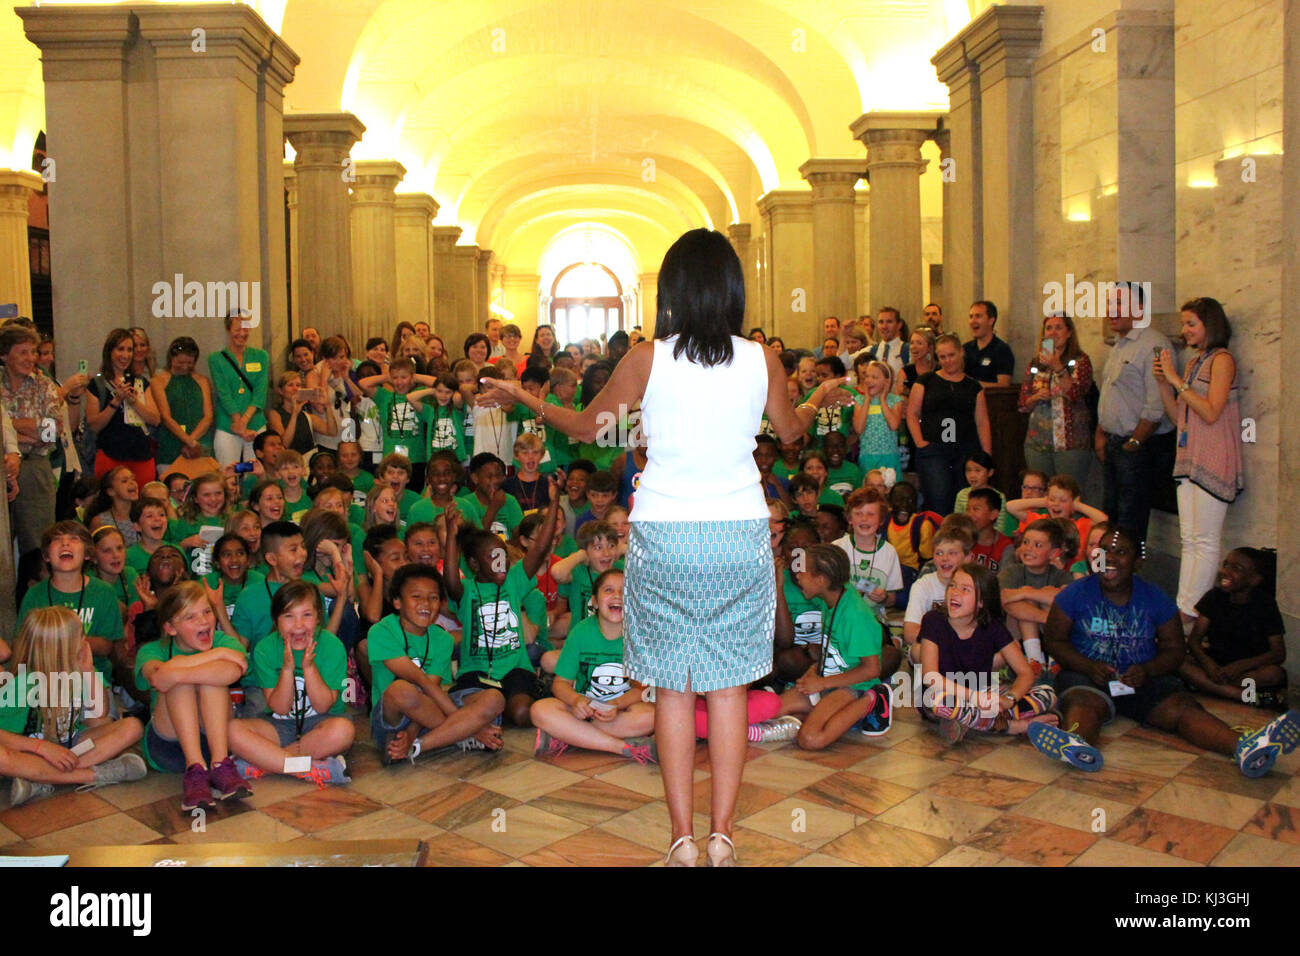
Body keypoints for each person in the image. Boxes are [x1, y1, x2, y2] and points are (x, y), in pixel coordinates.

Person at [478, 227, 845, 867]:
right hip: (737, 535)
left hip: (666, 536)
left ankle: (681, 840)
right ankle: (723, 836)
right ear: (731, 288)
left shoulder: (650, 357)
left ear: (672, 289)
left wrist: (523, 395)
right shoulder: (761, 359)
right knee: (728, 690)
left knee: (674, 690)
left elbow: (589, 428)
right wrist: (817, 398)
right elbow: (790, 434)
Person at [1031, 527, 1300, 778]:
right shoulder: (1074, 594)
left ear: (1138, 563)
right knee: (1082, 702)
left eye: (1121, 552)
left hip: (1143, 678)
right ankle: (1075, 743)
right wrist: (1088, 666)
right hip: (1087, 676)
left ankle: (1245, 747)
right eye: (1103, 551)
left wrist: (1147, 670)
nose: (1109, 558)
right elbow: (1054, 640)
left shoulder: (1156, 598)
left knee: (1182, 709)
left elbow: (1175, 649)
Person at [1153, 296, 1245, 623]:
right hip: (1189, 458)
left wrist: (1176, 381)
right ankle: (1183, 605)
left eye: (1191, 323)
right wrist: (1165, 383)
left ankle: (1193, 611)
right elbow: (1181, 416)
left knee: (1205, 541)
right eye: (1184, 324)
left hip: (1213, 458)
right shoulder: (1194, 363)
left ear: (1211, 325)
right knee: (1188, 539)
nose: (1185, 330)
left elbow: (1210, 411)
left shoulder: (1222, 360)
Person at [1, 606, 147, 807]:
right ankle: (93, 775)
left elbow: (99, 715)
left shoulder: (80, 671)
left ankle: (41, 780)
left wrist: (88, 670)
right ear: (63, 646)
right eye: (80, 635)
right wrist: (42, 748)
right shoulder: (23, 685)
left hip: (72, 747)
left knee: (132, 727)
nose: (85, 640)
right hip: (32, 753)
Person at [134, 580, 253, 810]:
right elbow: (159, 679)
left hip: (214, 740)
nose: (204, 621)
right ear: (170, 628)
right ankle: (194, 769)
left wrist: (180, 669)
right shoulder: (151, 650)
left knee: (205, 679)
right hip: (168, 745)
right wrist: (217, 654)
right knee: (179, 682)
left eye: (207, 611)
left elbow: (231, 672)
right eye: (190, 617)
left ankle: (220, 766)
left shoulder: (224, 641)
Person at [368, 564, 505, 762]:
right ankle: (460, 732)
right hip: (393, 717)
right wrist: (475, 730)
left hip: (430, 712)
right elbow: (421, 682)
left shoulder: (443, 639)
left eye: (433, 598)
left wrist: (414, 732)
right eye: (416, 597)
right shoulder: (382, 632)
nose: (426, 603)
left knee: (494, 697)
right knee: (401, 690)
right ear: (397, 602)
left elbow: (430, 691)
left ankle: (419, 745)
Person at [229, 581, 353, 784]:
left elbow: (323, 705)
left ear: (319, 618)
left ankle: (266, 764)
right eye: (288, 616)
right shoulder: (265, 649)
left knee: (344, 730)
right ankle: (310, 768)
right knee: (232, 730)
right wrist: (287, 669)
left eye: (307, 615)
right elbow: (279, 707)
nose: (298, 625)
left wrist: (309, 667)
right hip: (279, 724)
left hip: (322, 724)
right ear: (276, 621)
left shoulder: (332, 646)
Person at [920, 563, 1058, 744]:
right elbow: (930, 677)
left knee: (1048, 693)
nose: (954, 592)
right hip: (947, 694)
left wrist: (1010, 699)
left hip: (983, 694)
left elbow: (1026, 673)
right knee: (938, 702)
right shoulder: (933, 620)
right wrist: (975, 697)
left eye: (965, 589)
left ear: (981, 601)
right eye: (952, 585)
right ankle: (1015, 726)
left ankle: (972, 722)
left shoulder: (992, 626)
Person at [532, 568, 658, 762]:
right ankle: (622, 747)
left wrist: (616, 704)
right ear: (594, 602)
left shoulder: (638, 635)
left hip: (620, 712)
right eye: (608, 590)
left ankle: (569, 736)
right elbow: (561, 683)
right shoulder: (580, 632)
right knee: (540, 709)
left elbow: (641, 689)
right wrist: (575, 701)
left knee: (652, 716)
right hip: (583, 710)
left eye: (624, 591)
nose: (617, 596)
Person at [776, 544, 889, 748]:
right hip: (828, 678)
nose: (797, 576)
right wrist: (814, 671)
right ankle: (830, 713)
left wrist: (822, 684)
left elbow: (871, 669)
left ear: (821, 580)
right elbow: (834, 649)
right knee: (773, 712)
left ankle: (875, 699)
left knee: (810, 739)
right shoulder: (827, 599)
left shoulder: (855, 615)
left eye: (803, 571)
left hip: (854, 685)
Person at [1094, 284, 1174, 541]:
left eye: (1119, 304)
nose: (1111, 310)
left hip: (1138, 447)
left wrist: (1134, 442)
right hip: (1113, 442)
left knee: (1131, 522)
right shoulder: (1119, 345)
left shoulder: (1154, 344)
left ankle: (1128, 576)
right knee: (1111, 516)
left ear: (1139, 308)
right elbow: (1111, 394)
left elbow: (1157, 404)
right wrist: (1101, 433)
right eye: (1109, 304)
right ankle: (1107, 573)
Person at [1179, 548, 1287, 707]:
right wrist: (1208, 664)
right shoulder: (1214, 597)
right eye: (1226, 564)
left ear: (1254, 580)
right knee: (1178, 660)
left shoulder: (1265, 605)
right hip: (1215, 664)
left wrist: (1240, 666)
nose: (1225, 571)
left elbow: (1278, 653)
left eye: (1236, 569)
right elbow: (1194, 641)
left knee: (1273, 674)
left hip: (1246, 670)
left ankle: (1207, 685)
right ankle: (1244, 696)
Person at [907, 332, 991, 515]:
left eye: (951, 355)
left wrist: (986, 457)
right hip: (934, 449)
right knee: (938, 501)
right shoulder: (926, 381)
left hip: (965, 450)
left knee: (963, 501)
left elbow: (982, 421)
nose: (947, 361)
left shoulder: (973, 386)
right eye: (942, 357)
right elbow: (912, 413)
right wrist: (920, 443)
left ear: (961, 352)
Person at [1018, 313, 1094, 489]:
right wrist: (1036, 397)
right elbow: (1023, 403)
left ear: (1069, 333)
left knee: (1066, 494)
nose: (1053, 332)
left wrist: (1057, 366)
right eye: (1049, 328)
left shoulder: (1080, 361)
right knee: (1040, 492)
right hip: (1038, 442)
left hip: (1070, 443)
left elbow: (1076, 392)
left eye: (1058, 328)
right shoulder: (1035, 363)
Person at [85, 327, 160, 485]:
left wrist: (134, 402)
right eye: (120, 349)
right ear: (110, 351)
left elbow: (155, 419)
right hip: (110, 455)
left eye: (129, 350)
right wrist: (116, 401)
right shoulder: (97, 384)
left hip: (141, 456)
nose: (125, 355)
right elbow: (94, 425)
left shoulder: (140, 382)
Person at [209, 312, 270, 466]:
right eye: (237, 329)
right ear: (228, 330)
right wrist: (238, 423)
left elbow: (260, 392)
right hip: (228, 425)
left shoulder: (261, 356)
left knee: (255, 474)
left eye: (246, 329)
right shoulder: (216, 359)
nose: (242, 334)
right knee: (229, 473)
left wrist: (244, 421)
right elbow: (224, 393)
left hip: (255, 424)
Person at [150, 336, 214, 471]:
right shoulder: (158, 381)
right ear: (171, 358)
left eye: (190, 363)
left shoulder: (202, 381)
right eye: (180, 362)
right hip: (172, 443)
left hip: (199, 443)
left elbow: (208, 416)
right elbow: (166, 417)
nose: (185, 367)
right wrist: (188, 441)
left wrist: (192, 441)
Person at [963, 300, 1014, 387]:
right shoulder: (965, 349)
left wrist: (972, 386)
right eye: (971, 317)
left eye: (978, 316)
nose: (973, 321)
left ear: (991, 321)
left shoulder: (1002, 350)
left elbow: (1003, 385)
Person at [866, 307, 908, 374]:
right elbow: (846, 362)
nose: (884, 326)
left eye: (889, 322)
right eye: (881, 322)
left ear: (899, 325)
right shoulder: (871, 350)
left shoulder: (908, 350)